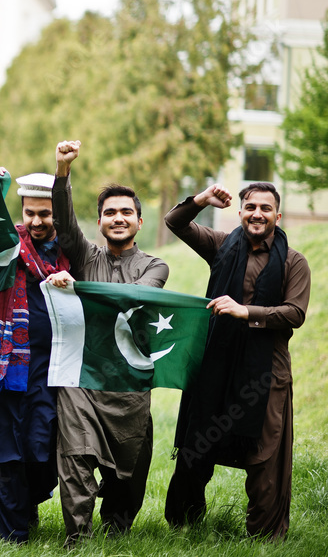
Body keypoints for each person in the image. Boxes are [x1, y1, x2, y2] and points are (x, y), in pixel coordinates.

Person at [163, 182, 310, 540]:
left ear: (277, 215)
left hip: (266, 371)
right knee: (199, 441)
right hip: (216, 362)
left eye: (265, 208)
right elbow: (174, 222)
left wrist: (246, 312)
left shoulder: (293, 262)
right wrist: (201, 200)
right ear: (240, 212)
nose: (257, 214)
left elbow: (295, 313)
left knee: (265, 453)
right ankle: (184, 523)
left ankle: (266, 534)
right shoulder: (221, 245)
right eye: (250, 207)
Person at [46, 139, 169, 546]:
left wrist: (78, 287)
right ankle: (77, 538)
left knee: (128, 469)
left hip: (129, 384)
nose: (118, 218)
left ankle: (117, 528)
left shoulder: (155, 266)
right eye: (110, 213)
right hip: (83, 375)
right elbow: (65, 224)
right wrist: (63, 170)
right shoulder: (84, 257)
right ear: (99, 222)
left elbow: (135, 297)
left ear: (139, 221)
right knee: (75, 455)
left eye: (126, 212)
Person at [0, 173, 67, 543]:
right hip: (2, 367)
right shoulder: (6, 245)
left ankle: (29, 504)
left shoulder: (70, 255)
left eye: (45, 214)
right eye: (30, 213)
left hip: (49, 370)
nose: (37, 221)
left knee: (41, 445)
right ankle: (12, 530)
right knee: (3, 448)